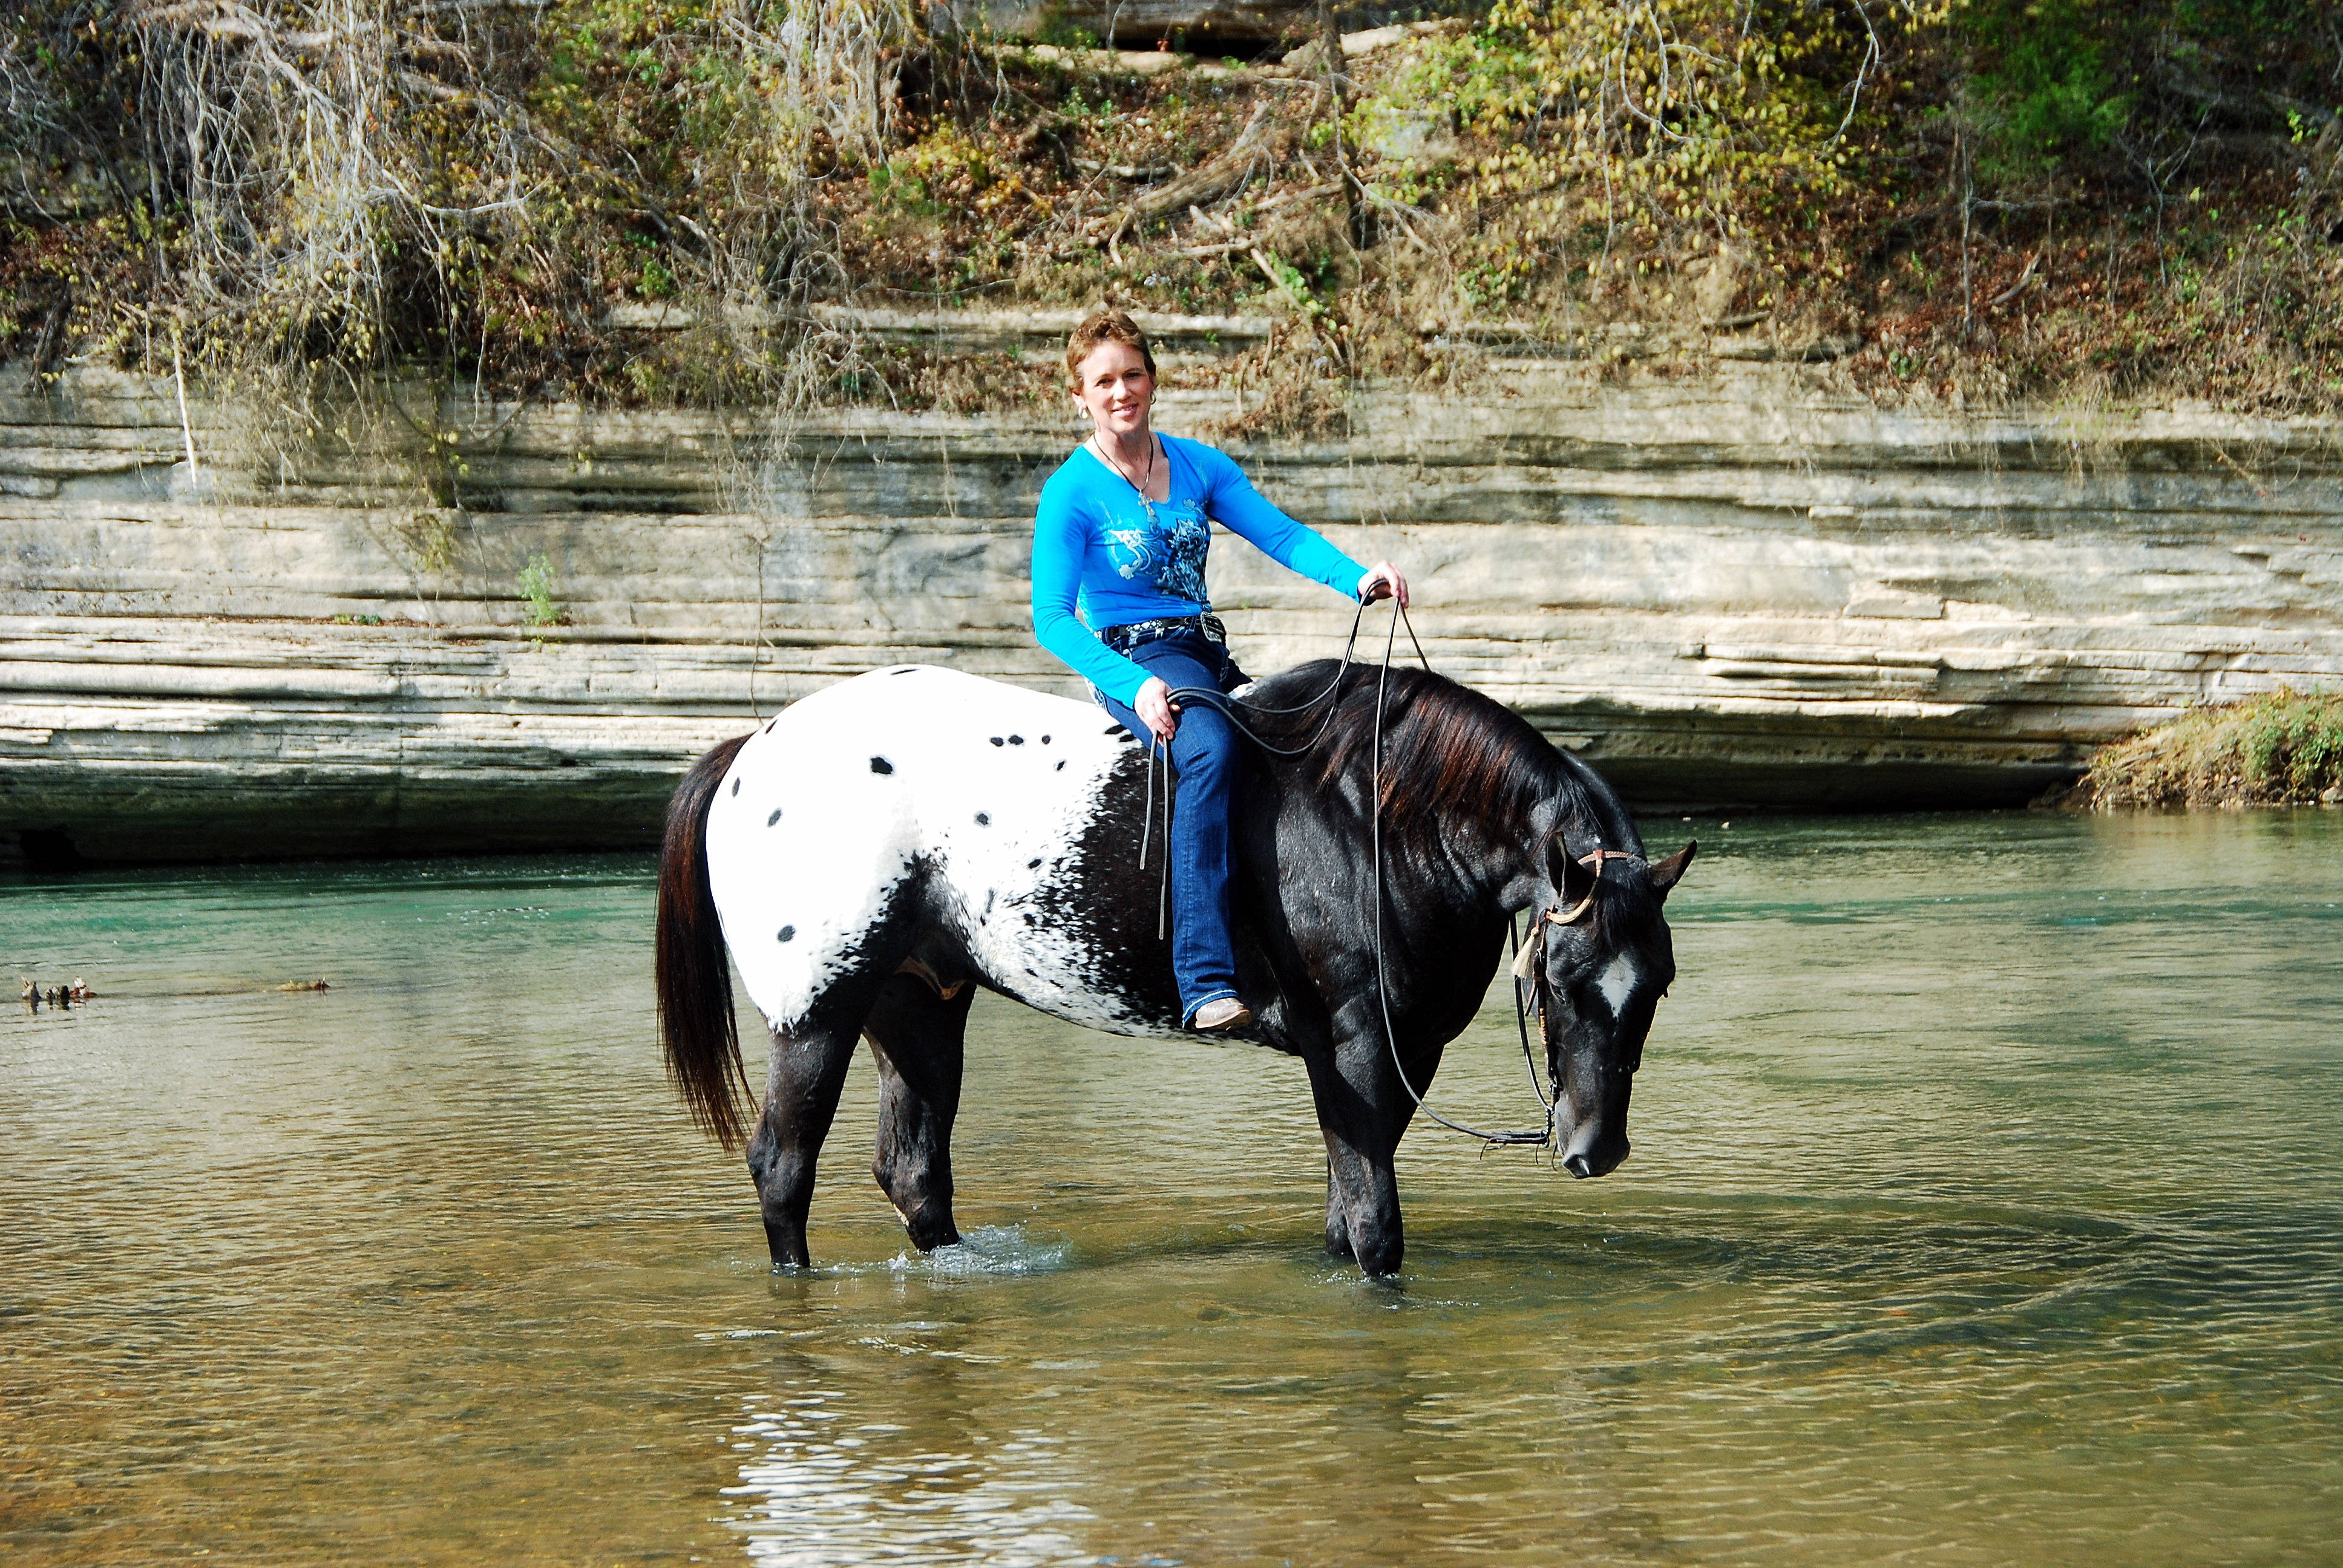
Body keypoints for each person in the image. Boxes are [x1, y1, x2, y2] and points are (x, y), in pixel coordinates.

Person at [1030, 307, 1409, 1031]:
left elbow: (1282, 536)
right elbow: (1050, 618)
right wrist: (1133, 685)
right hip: (1136, 657)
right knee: (1209, 750)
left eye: (1132, 374)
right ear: (1080, 396)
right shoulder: (1070, 491)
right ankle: (1203, 980)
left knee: (1307, 742)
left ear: (1151, 379)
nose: (1121, 392)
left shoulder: (1198, 464)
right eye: (1103, 381)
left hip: (1205, 651)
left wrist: (1357, 577)